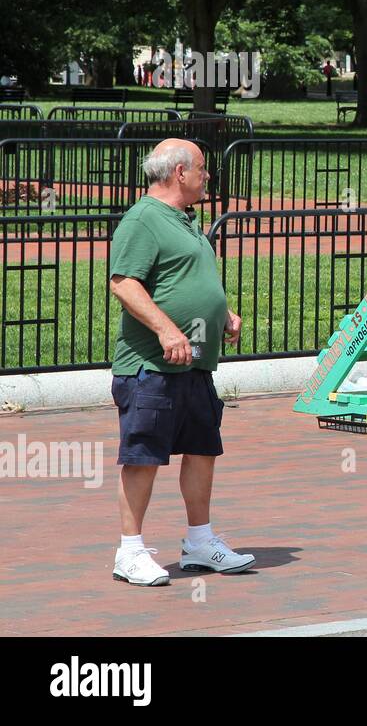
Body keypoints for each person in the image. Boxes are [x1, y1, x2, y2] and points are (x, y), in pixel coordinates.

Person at [108, 139, 252, 586]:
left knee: (203, 449)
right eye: (203, 169)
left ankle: (200, 542)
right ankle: (129, 552)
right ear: (178, 173)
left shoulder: (185, 220)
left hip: (196, 362)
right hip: (151, 364)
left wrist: (221, 313)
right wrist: (167, 330)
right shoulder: (143, 219)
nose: (208, 176)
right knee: (143, 455)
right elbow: (124, 283)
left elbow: (187, 277)